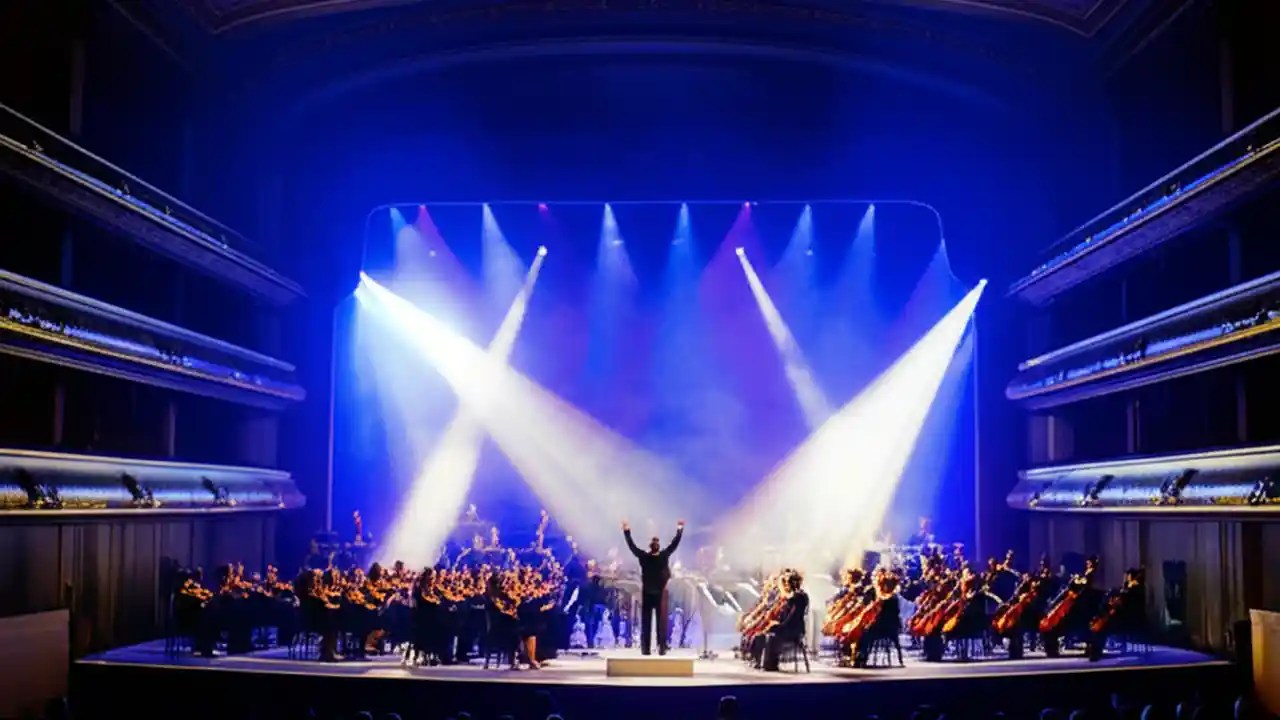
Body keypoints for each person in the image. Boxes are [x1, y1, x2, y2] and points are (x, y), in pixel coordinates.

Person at [622, 518, 684, 655]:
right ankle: (661, 648)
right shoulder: (663, 556)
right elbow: (674, 545)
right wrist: (680, 530)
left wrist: (626, 532)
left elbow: (632, 547)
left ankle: (646, 649)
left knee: (646, 622)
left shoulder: (644, 557)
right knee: (660, 623)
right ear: (657, 546)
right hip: (660, 593)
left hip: (648, 592)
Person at [761, 571, 809, 671]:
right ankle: (768, 663)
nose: (786, 585)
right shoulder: (793, 597)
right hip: (787, 626)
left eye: (788, 582)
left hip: (794, 629)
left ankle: (770, 664)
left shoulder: (799, 597)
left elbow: (791, 617)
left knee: (772, 633)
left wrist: (779, 625)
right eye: (786, 582)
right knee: (763, 634)